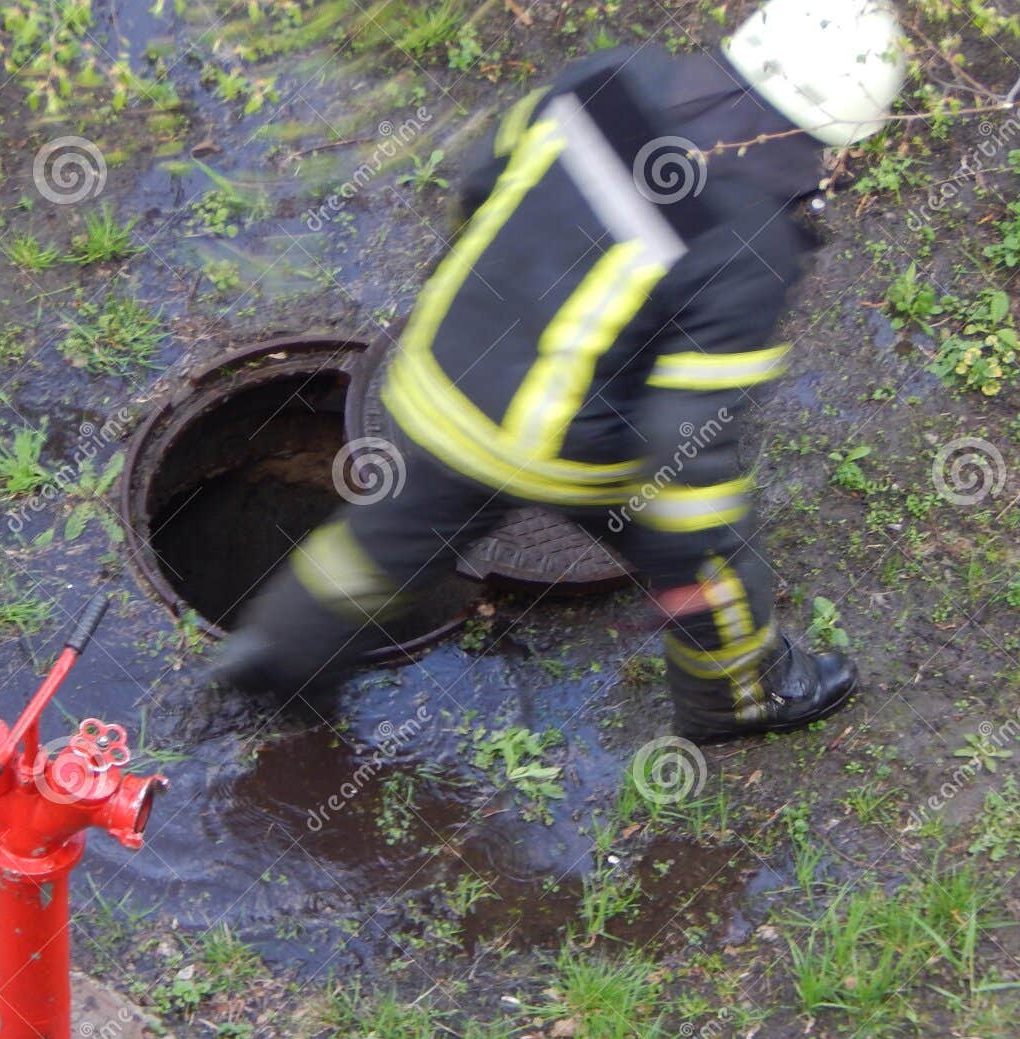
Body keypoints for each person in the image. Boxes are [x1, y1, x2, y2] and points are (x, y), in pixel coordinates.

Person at [211, 0, 907, 743]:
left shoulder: (609, 79)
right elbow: (683, 436)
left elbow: (483, 182)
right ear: (841, 132)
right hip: (551, 441)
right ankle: (739, 700)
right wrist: (682, 562)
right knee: (721, 574)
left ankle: (275, 660)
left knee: (386, 537)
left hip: (438, 369)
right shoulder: (752, 241)